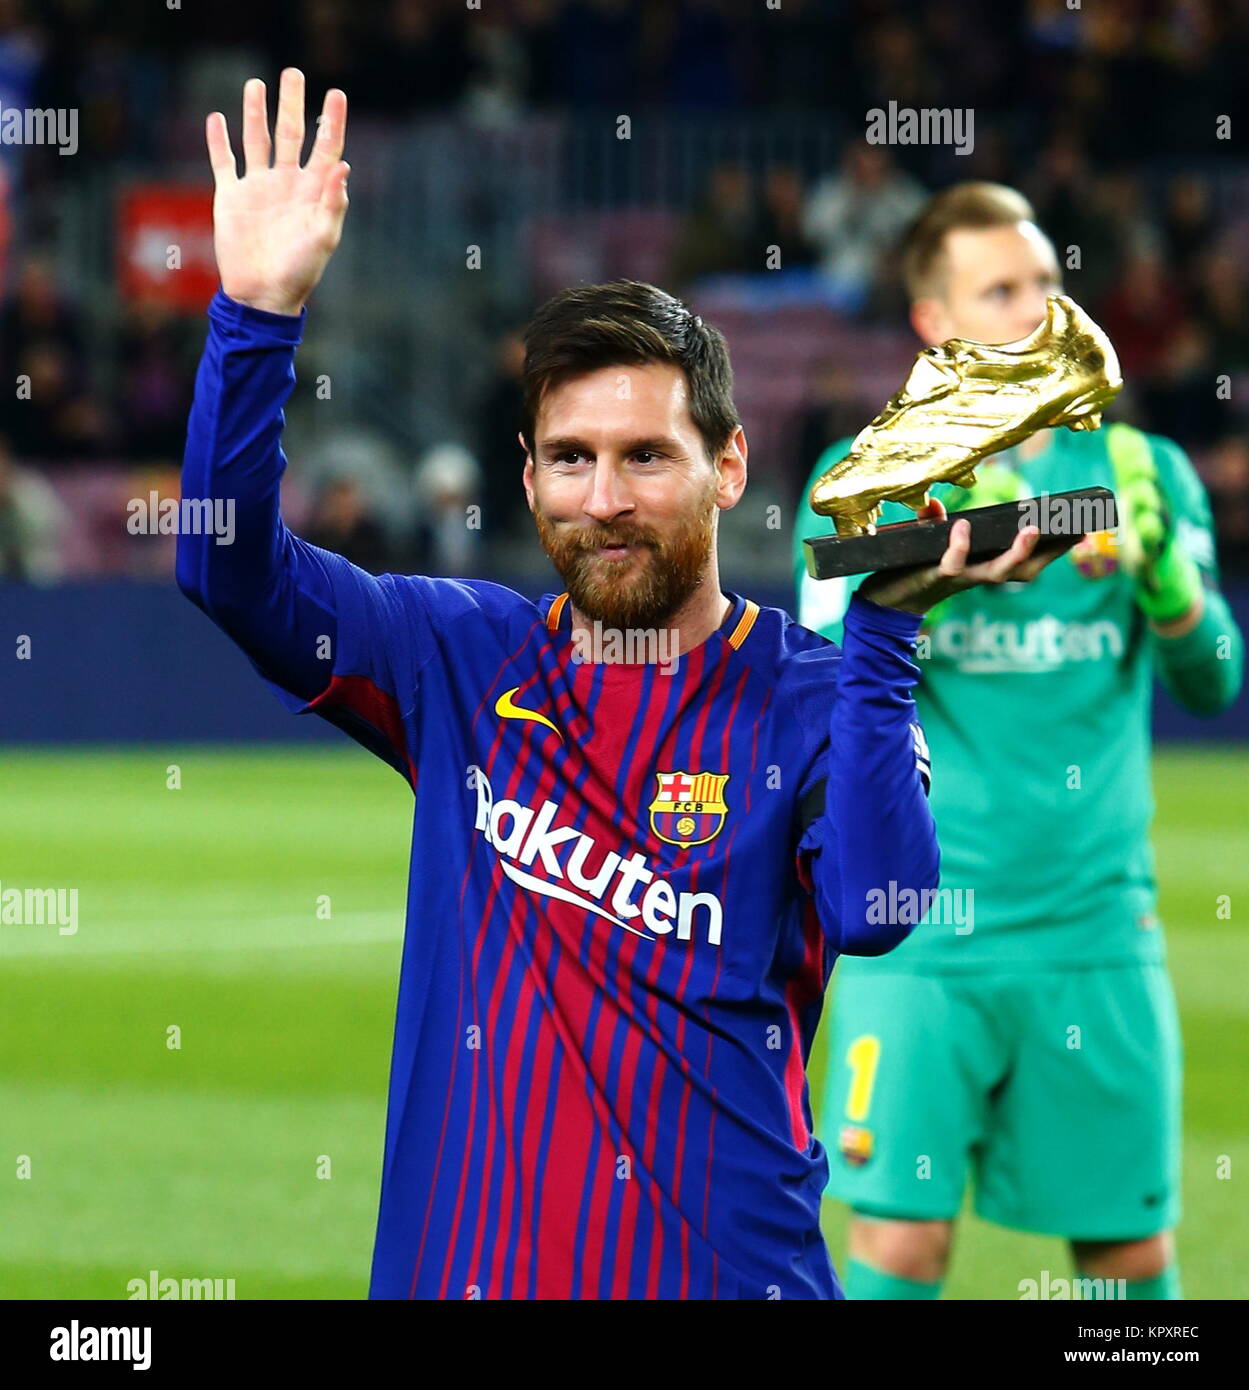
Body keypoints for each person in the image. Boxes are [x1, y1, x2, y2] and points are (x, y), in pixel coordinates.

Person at [180, 72, 1057, 1301]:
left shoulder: (811, 694)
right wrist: (255, 317)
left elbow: (882, 905)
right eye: (571, 460)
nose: (606, 498)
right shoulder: (457, 658)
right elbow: (227, 570)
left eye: (647, 455)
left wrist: (884, 646)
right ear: (528, 478)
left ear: (728, 464)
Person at [793, 181, 1245, 1301]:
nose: (1037, 307)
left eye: (1046, 281)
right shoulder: (867, 486)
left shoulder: (1142, 474)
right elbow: (809, 689)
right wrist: (914, 592)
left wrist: (1170, 582)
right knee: (899, 1244)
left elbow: (1216, 680)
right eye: (1001, 289)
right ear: (932, 325)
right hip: (921, 941)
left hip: (1096, 930)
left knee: (1125, 1254)